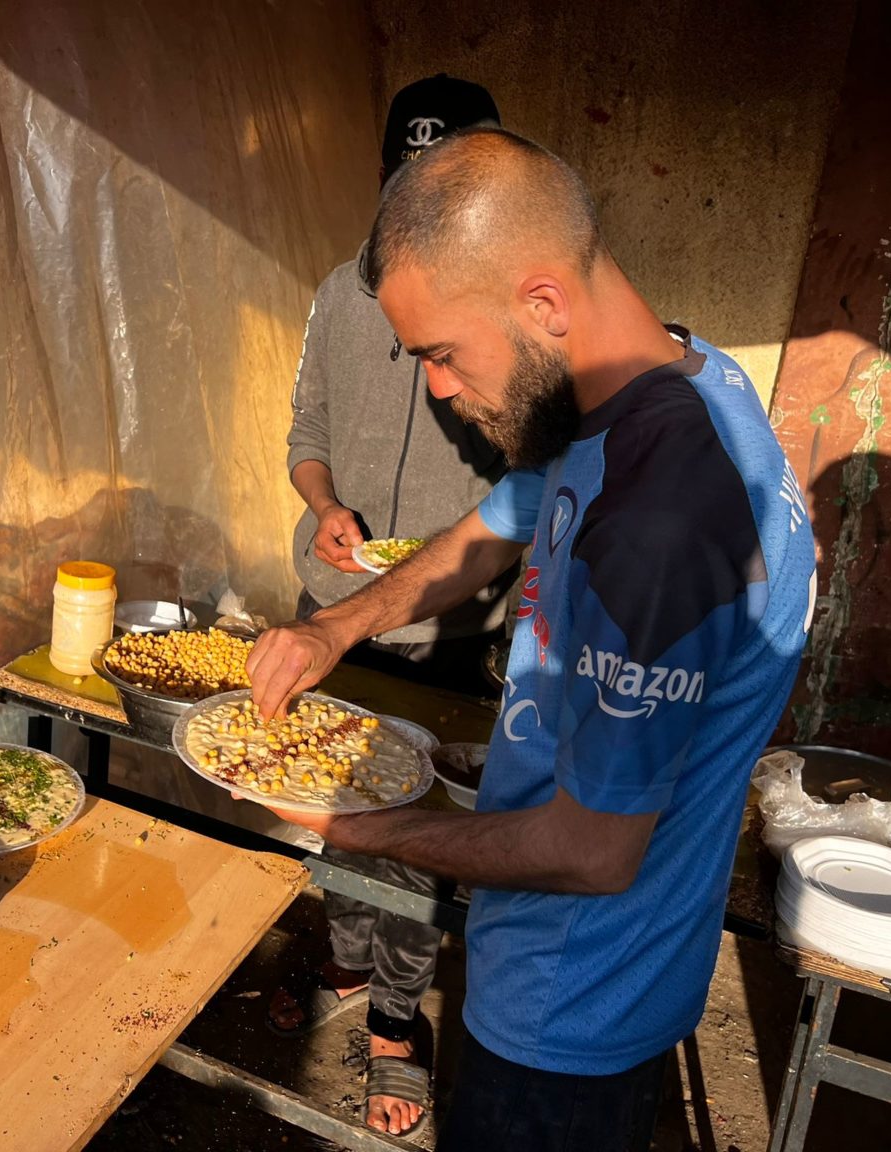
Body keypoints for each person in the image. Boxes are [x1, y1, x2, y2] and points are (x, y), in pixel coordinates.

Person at [247, 128, 817, 1151]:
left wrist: (355, 826)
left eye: (441, 354)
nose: (436, 389)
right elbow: (487, 533)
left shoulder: (660, 520)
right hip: (558, 968)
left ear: (543, 303)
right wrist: (338, 623)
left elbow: (588, 852)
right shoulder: (659, 389)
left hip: (572, 1013)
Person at [274, 75, 518, 1139]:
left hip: (446, 626)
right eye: (403, 181)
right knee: (329, 800)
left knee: (416, 828)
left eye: (443, 183)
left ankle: (395, 1019)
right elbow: (305, 432)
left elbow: (533, 482)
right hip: (333, 599)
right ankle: (342, 947)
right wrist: (326, 503)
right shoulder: (340, 290)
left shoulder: (510, 314)